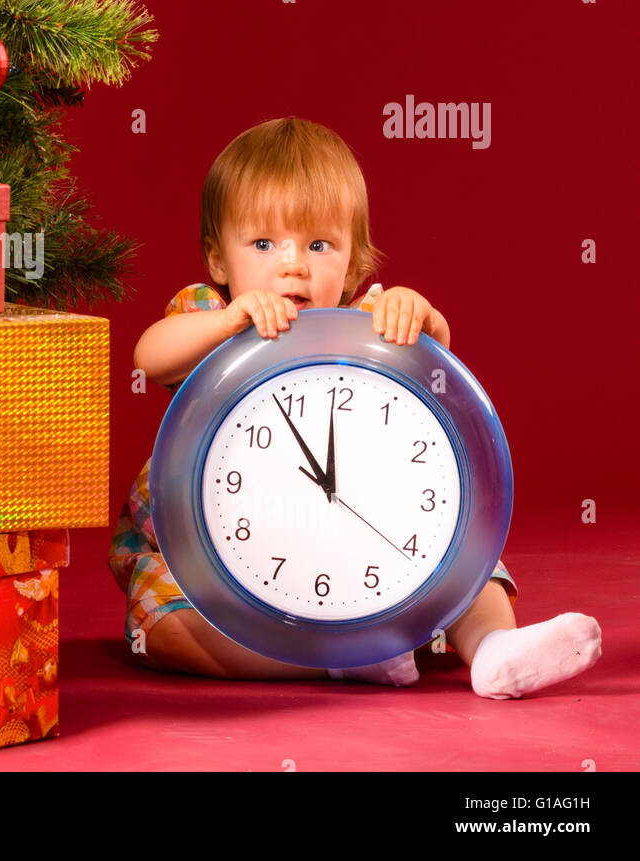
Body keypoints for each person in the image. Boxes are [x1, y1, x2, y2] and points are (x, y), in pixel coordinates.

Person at [108, 117, 601, 698]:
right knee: (161, 629)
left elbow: (438, 368)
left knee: (468, 566)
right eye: (263, 244)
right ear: (218, 259)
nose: (293, 264)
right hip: (217, 556)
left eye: (318, 245)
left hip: (361, 534)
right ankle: (343, 663)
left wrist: (420, 316)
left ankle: (495, 650)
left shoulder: (366, 322)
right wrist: (225, 325)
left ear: (354, 264)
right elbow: (149, 356)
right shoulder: (211, 319)